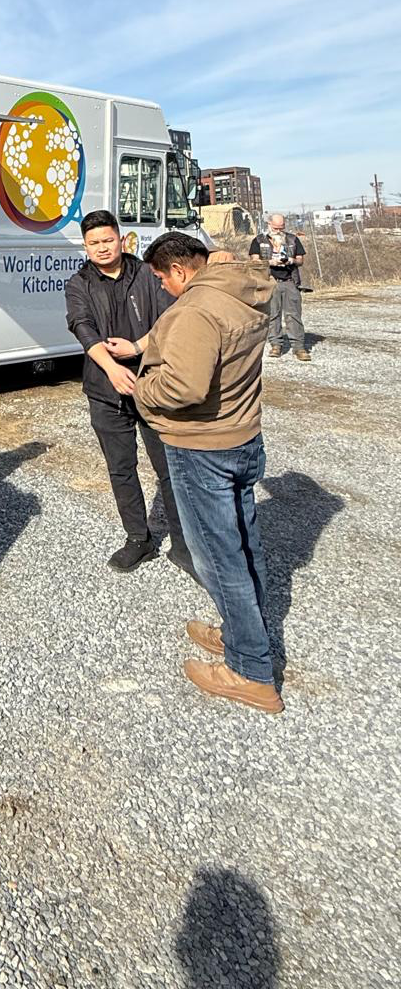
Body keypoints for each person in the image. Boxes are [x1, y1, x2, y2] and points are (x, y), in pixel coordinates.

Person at [130, 233, 282, 714]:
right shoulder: (240, 290)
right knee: (243, 543)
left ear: (179, 270)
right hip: (241, 436)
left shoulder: (196, 309)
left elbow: (184, 387)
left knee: (219, 558)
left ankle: (250, 670)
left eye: (160, 278)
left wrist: (142, 388)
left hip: (202, 446)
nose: (161, 286)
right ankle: (242, 633)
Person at [64, 210, 194, 576]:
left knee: (168, 467)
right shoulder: (78, 285)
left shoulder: (148, 275)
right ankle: (139, 538)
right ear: (85, 246)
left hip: (153, 384)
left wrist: (137, 348)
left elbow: (171, 321)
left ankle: (184, 544)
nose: (102, 248)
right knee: (121, 468)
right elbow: (82, 328)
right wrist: (112, 368)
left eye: (108, 240)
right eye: (94, 243)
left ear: (121, 239)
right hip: (105, 390)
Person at [248, 213, 309, 360]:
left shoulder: (293, 239)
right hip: (270, 281)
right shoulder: (259, 240)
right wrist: (270, 262)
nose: (279, 231)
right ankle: (276, 345)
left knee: (293, 315)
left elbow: (301, 260)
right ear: (269, 225)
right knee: (273, 315)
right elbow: (254, 261)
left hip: (290, 281)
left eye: (281, 228)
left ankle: (299, 348)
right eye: (276, 228)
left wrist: (291, 260)